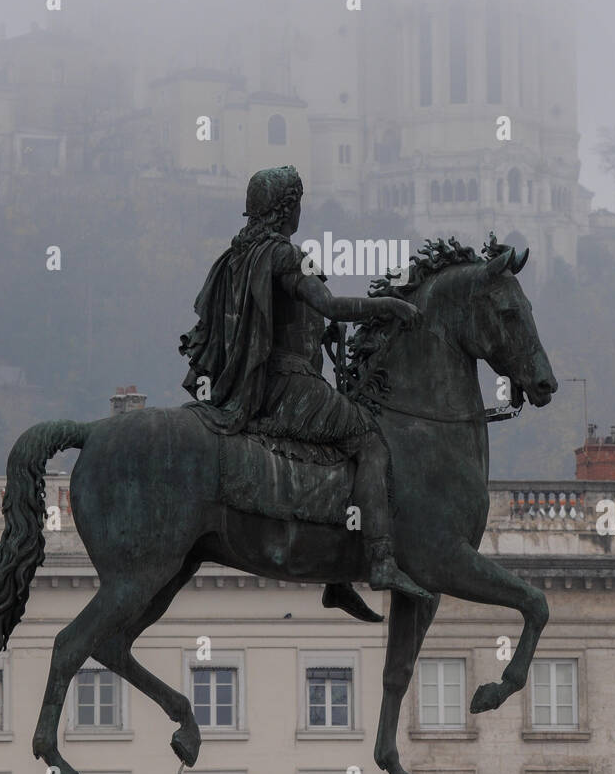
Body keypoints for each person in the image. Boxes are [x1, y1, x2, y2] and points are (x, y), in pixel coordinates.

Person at [179, 165, 428, 604]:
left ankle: (337, 574)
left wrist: (314, 332)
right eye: (297, 203)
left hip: (253, 385)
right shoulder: (282, 254)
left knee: (334, 447)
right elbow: (330, 304)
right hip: (288, 384)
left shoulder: (236, 256)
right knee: (369, 441)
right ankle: (382, 561)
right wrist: (386, 305)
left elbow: (277, 318)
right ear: (287, 208)